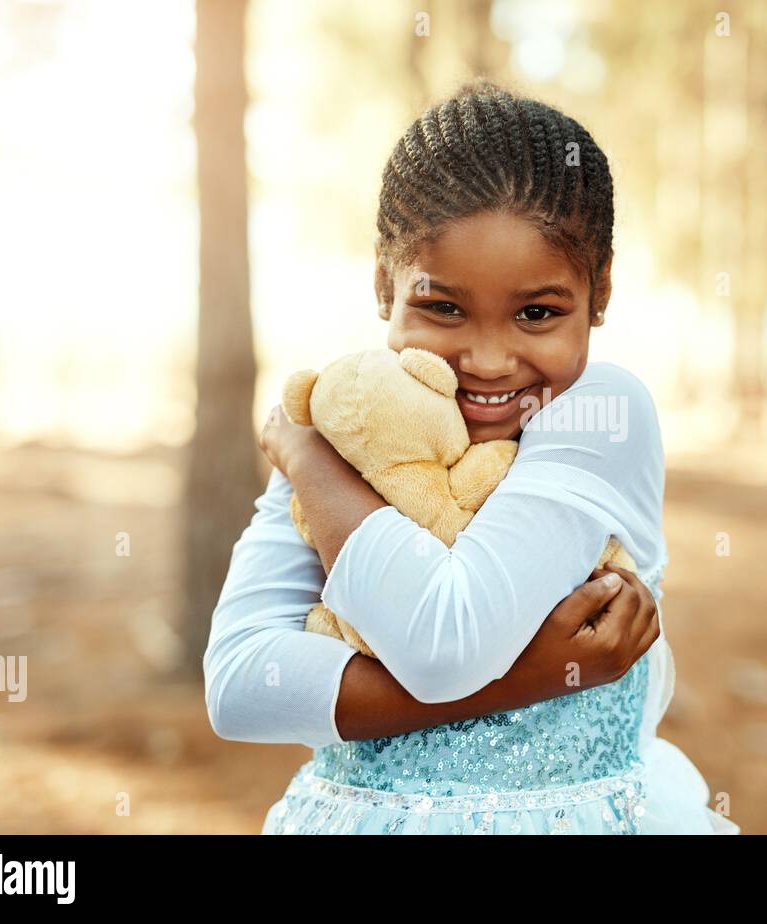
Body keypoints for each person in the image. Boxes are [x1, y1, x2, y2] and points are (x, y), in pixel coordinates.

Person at [204, 79, 739, 835]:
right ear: (384, 284)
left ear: (602, 292)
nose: (488, 361)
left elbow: (444, 645)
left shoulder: (602, 414)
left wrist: (308, 462)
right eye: (444, 307)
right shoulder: (355, 426)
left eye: (538, 313)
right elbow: (239, 688)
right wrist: (535, 675)